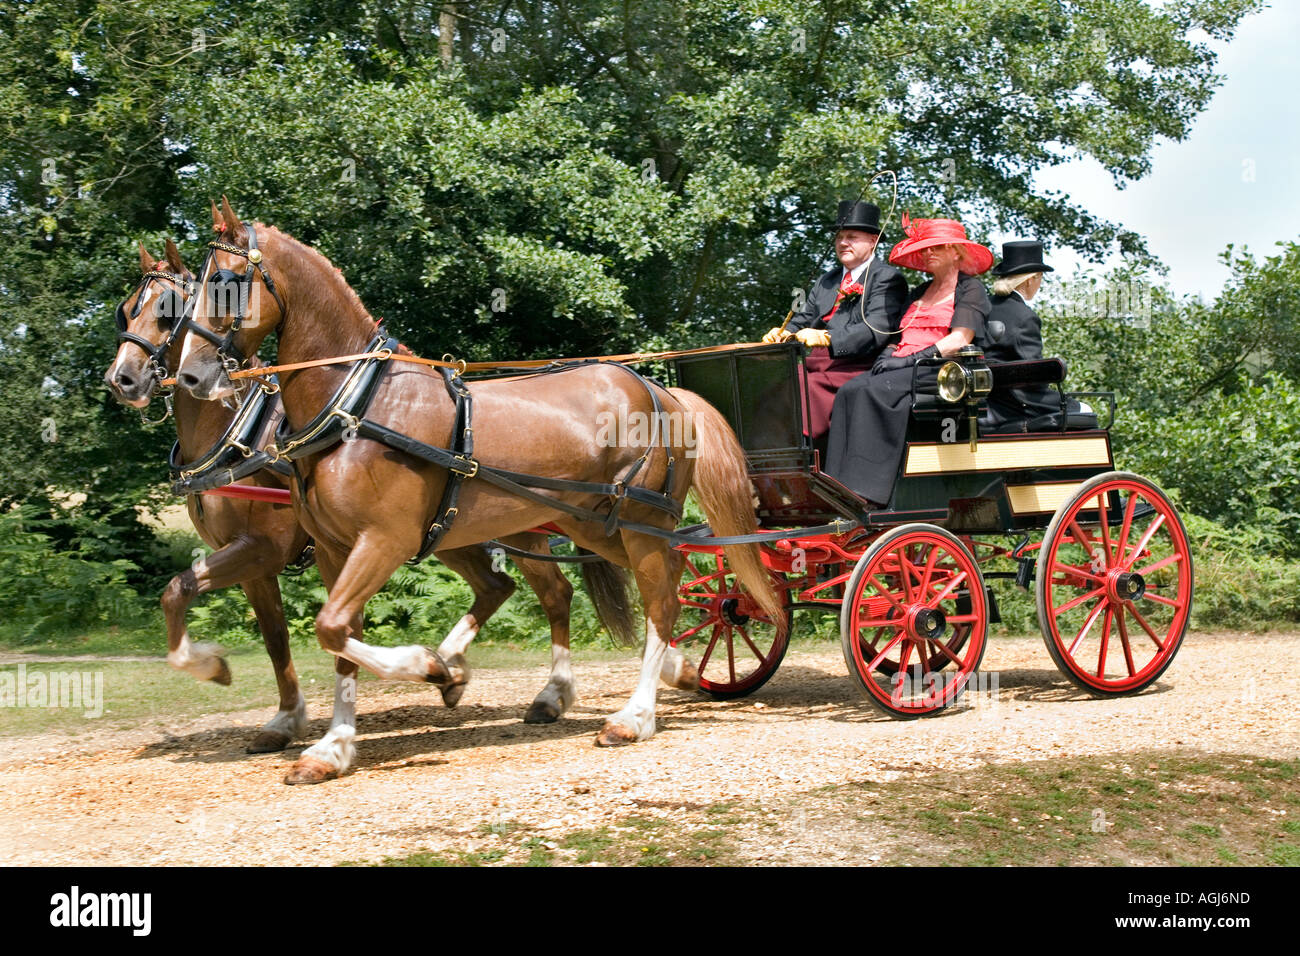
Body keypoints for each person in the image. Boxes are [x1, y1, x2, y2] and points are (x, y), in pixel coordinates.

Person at [824, 216, 993, 506]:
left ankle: (868, 490)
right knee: (850, 390)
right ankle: (836, 486)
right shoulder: (918, 291)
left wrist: (916, 358)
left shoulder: (970, 289)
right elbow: (896, 334)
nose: (928, 253)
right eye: (924, 248)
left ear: (956, 252)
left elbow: (960, 339)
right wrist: (890, 354)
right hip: (903, 365)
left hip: (941, 371)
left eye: (936, 248)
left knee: (871, 392)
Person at [762, 200, 907, 446]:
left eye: (851, 237)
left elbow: (878, 329)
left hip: (857, 365)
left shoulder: (887, 278)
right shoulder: (826, 280)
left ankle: (804, 455)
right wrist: (784, 332)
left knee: (803, 386)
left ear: (873, 241)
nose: (842, 243)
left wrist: (827, 338)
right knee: (768, 377)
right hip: (817, 364)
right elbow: (803, 318)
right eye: (839, 237)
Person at [977, 240, 1059, 427]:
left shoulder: (981, 307)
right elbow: (1034, 378)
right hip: (1016, 403)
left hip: (984, 397)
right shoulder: (1025, 317)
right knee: (1084, 409)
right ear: (1031, 279)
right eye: (1040, 278)